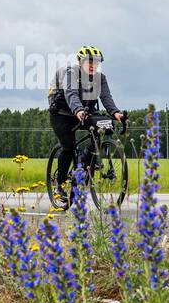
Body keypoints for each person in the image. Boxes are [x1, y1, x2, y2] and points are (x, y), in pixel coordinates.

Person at [48, 46, 125, 202]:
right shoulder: (71, 74)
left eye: (96, 63)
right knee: (68, 146)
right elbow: (71, 93)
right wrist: (78, 110)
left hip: (83, 112)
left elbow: (106, 97)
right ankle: (60, 184)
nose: (93, 65)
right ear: (79, 62)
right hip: (62, 114)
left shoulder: (100, 78)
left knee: (102, 128)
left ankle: (86, 162)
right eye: (89, 62)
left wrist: (117, 113)